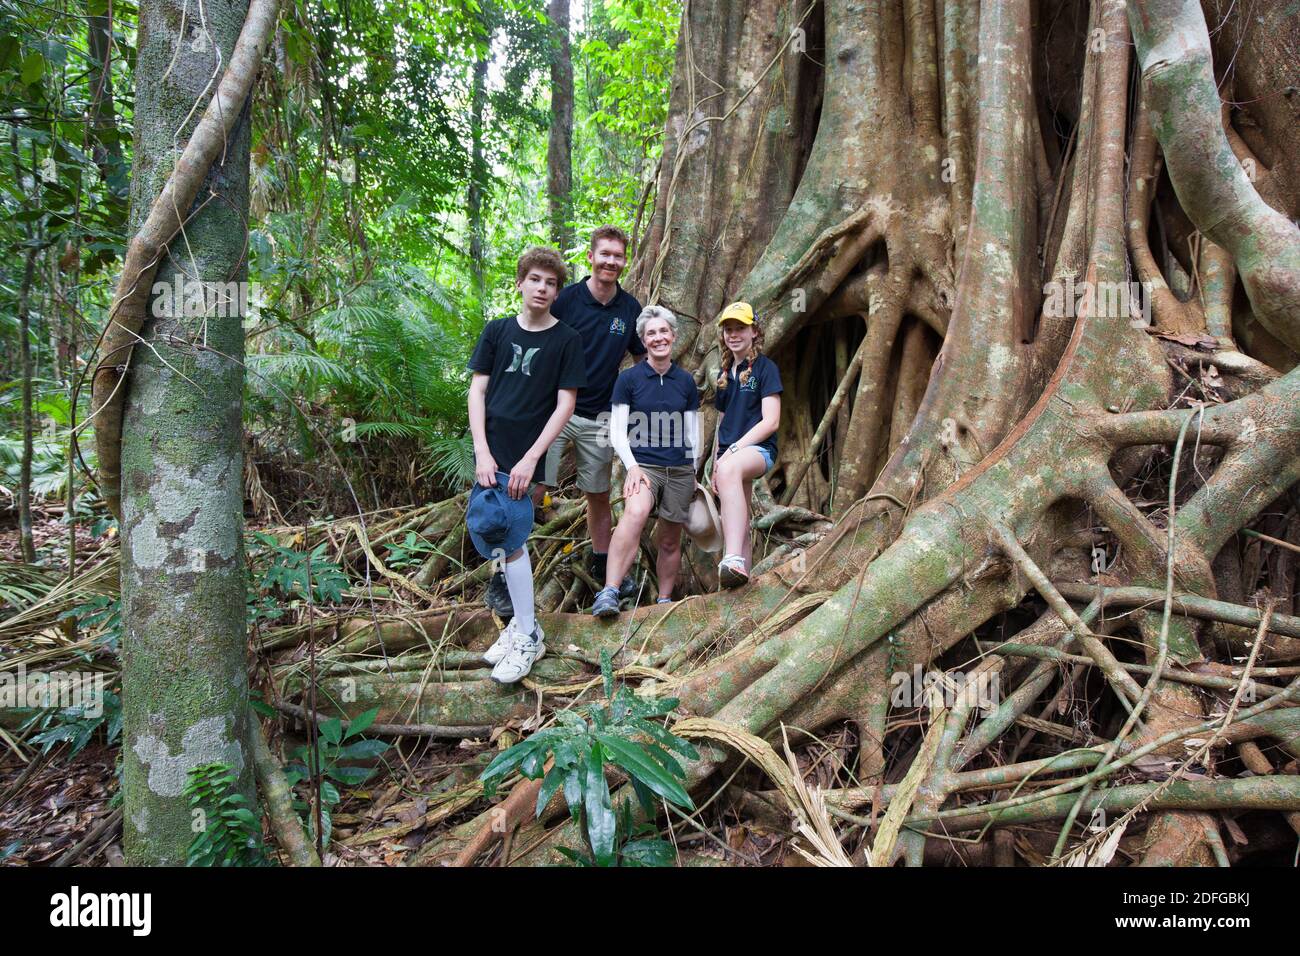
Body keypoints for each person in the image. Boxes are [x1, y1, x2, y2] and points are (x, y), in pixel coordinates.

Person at [486, 225, 646, 614]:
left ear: (625, 261)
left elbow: (641, 357)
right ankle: (502, 570)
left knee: (598, 494)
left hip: (599, 415)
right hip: (553, 412)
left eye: (618, 255)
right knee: (532, 486)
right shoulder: (567, 299)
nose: (610, 261)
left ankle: (601, 561)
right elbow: (537, 335)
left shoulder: (629, 309)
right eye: (603, 254)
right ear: (590, 257)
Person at [467, 247, 586, 684]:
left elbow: (565, 402)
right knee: (492, 530)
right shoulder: (497, 332)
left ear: (557, 291)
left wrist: (533, 459)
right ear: (520, 282)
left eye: (551, 283)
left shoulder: (566, 340)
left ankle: (530, 635)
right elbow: (478, 391)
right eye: (535, 279)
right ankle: (517, 624)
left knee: (512, 536)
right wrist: (481, 450)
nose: (542, 288)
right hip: (490, 453)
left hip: (528, 457)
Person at [591, 307, 700, 617]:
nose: (658, 338)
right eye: (651, 333)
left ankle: (663, 601)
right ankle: (610, 590)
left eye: (663, 331)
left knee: (670, 537)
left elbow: (692, 430)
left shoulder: (686, 381)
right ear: (643, 340)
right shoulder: (629, 379)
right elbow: (616, 430)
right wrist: (632, 466)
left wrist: (692, 468)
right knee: (635, 512)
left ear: (674, 335)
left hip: (679, 469)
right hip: (645, 466)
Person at [711, 302, 782, 589]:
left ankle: (732, 559)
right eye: (729, 329)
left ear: (754, 331)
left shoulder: (766, 369)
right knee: (733, 518)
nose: (734, 334)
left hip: (759, 451)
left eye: (740, 328)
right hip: (729, 455)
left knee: (730, 471)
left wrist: (733, 451)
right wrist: (717, 459)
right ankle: (742, 582)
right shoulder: (724, 374)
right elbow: (723, 422)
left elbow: (771, 422)